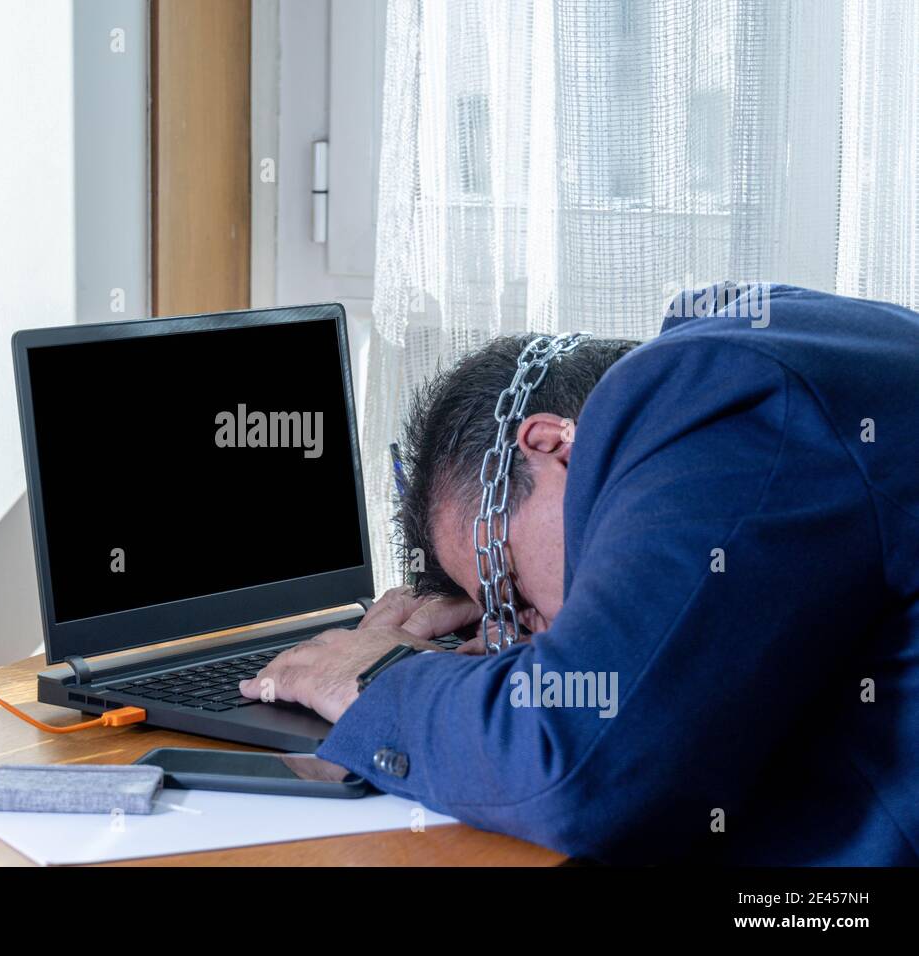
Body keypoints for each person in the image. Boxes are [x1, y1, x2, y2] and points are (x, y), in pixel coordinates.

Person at [239, 284, 919, 864]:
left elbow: (579, 762)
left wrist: (375, 678)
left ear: (547, 444)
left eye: (506, 589)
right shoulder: (764, 350)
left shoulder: (705, 400)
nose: (524, 630)